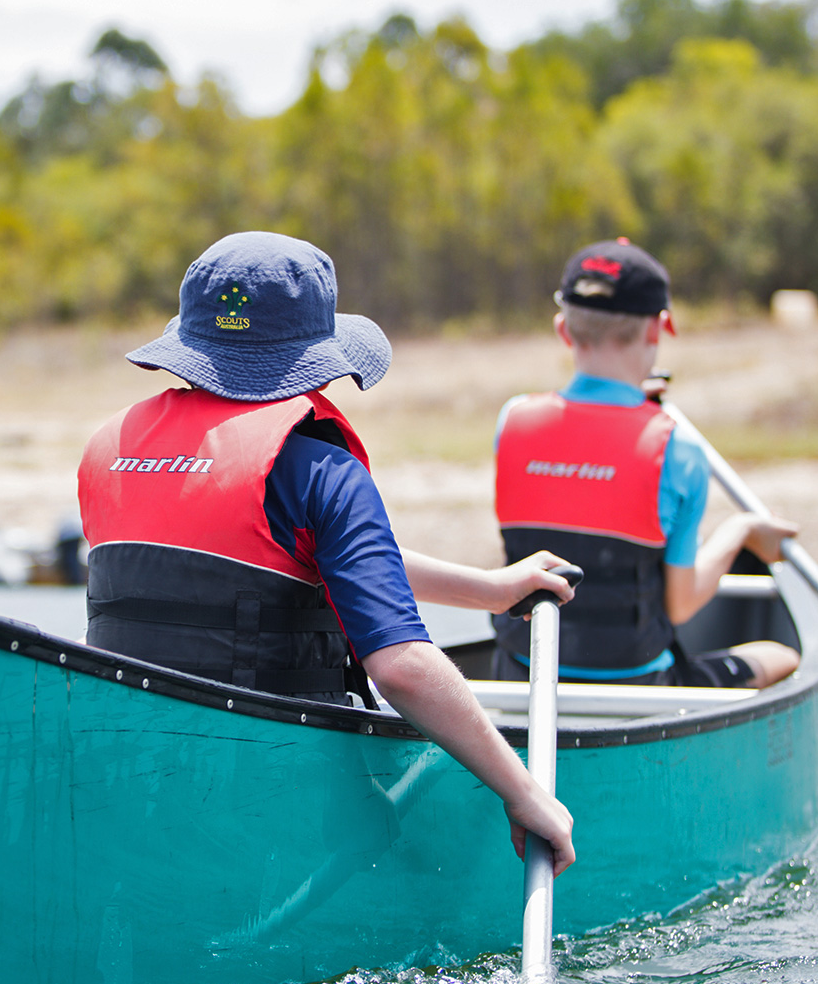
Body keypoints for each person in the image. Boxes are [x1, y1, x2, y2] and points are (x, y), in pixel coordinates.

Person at [77, 231, 577, 872]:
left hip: (129, 779)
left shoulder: (108, 451)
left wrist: (487, 588)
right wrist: (524, 790)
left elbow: (279, 563)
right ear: (313, 354)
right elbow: (399, 666)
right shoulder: (320, 470)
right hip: (270, 791)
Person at [492, 238, 800, 690]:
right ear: (656, 331)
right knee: (782, 656)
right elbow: (681, 605)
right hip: (640, 687)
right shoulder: (679, 449)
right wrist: (742, 531)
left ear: (563, 329)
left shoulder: (511, 419)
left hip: (523, 672)